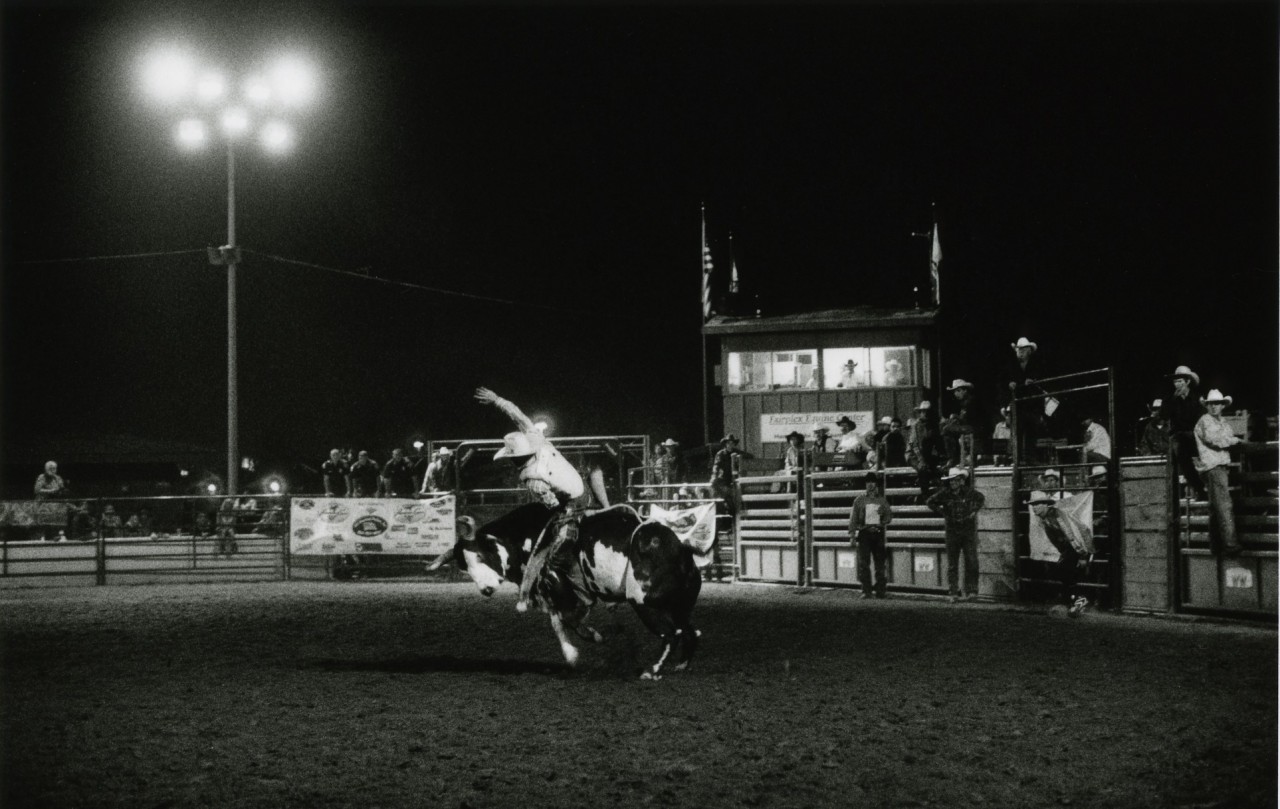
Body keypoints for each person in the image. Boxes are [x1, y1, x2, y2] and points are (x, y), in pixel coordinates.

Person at [475, 387, 586, 612]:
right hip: (582, 487)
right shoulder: (538, 438)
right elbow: (516, 414)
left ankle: (571, 590)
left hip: (571, 503)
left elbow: (552, 504)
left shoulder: (531, 477)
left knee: (550, 553)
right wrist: (497, 400)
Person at [1193, 389, 1244, 557]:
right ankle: (1230, 545)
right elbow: (1216, 441)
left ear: (1222, 405)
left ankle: (1216, 545)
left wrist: (1231, 440)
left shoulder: (1222, 422)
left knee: (1216, 507)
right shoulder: (1205, 421)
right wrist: (1235, 441)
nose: (1213, 406)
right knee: (1224, 505)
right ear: (1207, 406)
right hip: (1213, 466)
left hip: (1218, 466)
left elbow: (1224, 437)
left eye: (1216, 403)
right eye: (1210, 404)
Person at [926, 467, 985, 602]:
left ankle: (971, 591)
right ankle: (954, 592)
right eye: (951, 481)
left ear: (960, 481)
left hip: (966, 530)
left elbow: (981, 498)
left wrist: (974, 510)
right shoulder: (945, 494)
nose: (953, 483)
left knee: (971, 561)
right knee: (953, 563)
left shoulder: (969, 493)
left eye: (955, 480)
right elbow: (930, 501)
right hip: (953, 531)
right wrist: (943, 512)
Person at [1028, 491, 1091, 617]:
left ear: (1046, 505)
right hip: (1070, 549)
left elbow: (1072, 535)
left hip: (1078, 547)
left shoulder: (1056, 517)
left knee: (1067, 573)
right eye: (1033, 504)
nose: (1034, 507)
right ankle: (1075, 601)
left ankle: (1079, 600)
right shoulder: (1046, 519)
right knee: (1063, 573)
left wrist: (1082, 556)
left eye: (1038, 504)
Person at [1160, 366, 1207, 500]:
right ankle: (1199, 489)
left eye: (1180, 381)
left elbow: (1202, 418)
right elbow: (1163, 416)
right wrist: (1173, 400)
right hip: (1179, 436)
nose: (1177, 384)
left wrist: (1196, 433)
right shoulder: (1170, 399)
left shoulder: (1197, 398)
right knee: (1180, 452)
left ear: (1187, 382)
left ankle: (1206, 484)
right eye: (1175, 382)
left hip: (1195, 434)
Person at [1005, 336, 1048, 462]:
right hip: (1018, 405)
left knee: (1031, 432)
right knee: (1017, 432)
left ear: (1029, 351)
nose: (1021, 352)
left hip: (1032, 405)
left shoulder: (1037, 365)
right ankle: (1016, 459)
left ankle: (1030, 459)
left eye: (1023, 350)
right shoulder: (1011, 366)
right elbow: (1003, 383)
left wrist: (1033, 382)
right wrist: (1010, 384)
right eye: (1019, 350)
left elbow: (1043, 382)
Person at [849, 477, 893, 598]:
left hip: (877, 533)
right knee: (864, 563)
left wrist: (883, 518)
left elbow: (888, 517)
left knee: (879, 563)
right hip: (865, 533)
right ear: (865, 484)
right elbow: (853, 518)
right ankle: (867, 590)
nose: (870, 485)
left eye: (872, 482)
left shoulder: (882, 501)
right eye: (868, 482)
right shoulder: (859, 500)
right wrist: (852, 535)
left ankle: (880, 591)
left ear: (876, 484)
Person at [942, 379, 987, 468]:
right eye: (955, 392)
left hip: (975, 428)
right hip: (971, 427)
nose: (956, 394)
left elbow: (968, 419)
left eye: (958, 391)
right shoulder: (965, 402)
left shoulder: (971, 401)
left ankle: (952, 457)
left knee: (946, 429)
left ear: (965, 390)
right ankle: (954, 456)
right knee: (949, 427)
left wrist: (955, 417)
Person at [907, 400, 944, 492]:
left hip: (927, 455)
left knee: (935, 469)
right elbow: (914, 445)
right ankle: (924, 494)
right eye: (923, 411)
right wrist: (921, 460)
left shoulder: (933, 425)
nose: (925, 414)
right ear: (920, 413)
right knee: (923, 469)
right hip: (914, 455)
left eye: (927, 412)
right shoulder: (916, 425)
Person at [709, 434, 743, 517]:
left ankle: (730, 512)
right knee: (717, 489)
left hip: (733, 480)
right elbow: (716, 466)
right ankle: (724, 506)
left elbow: (748, 456)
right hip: (723, 480)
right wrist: (714, 477)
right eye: (728, 443)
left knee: (734, 499)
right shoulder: (720, 454)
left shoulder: (736, 453)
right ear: (725, 444)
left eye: (732, 443)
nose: (730, 445)